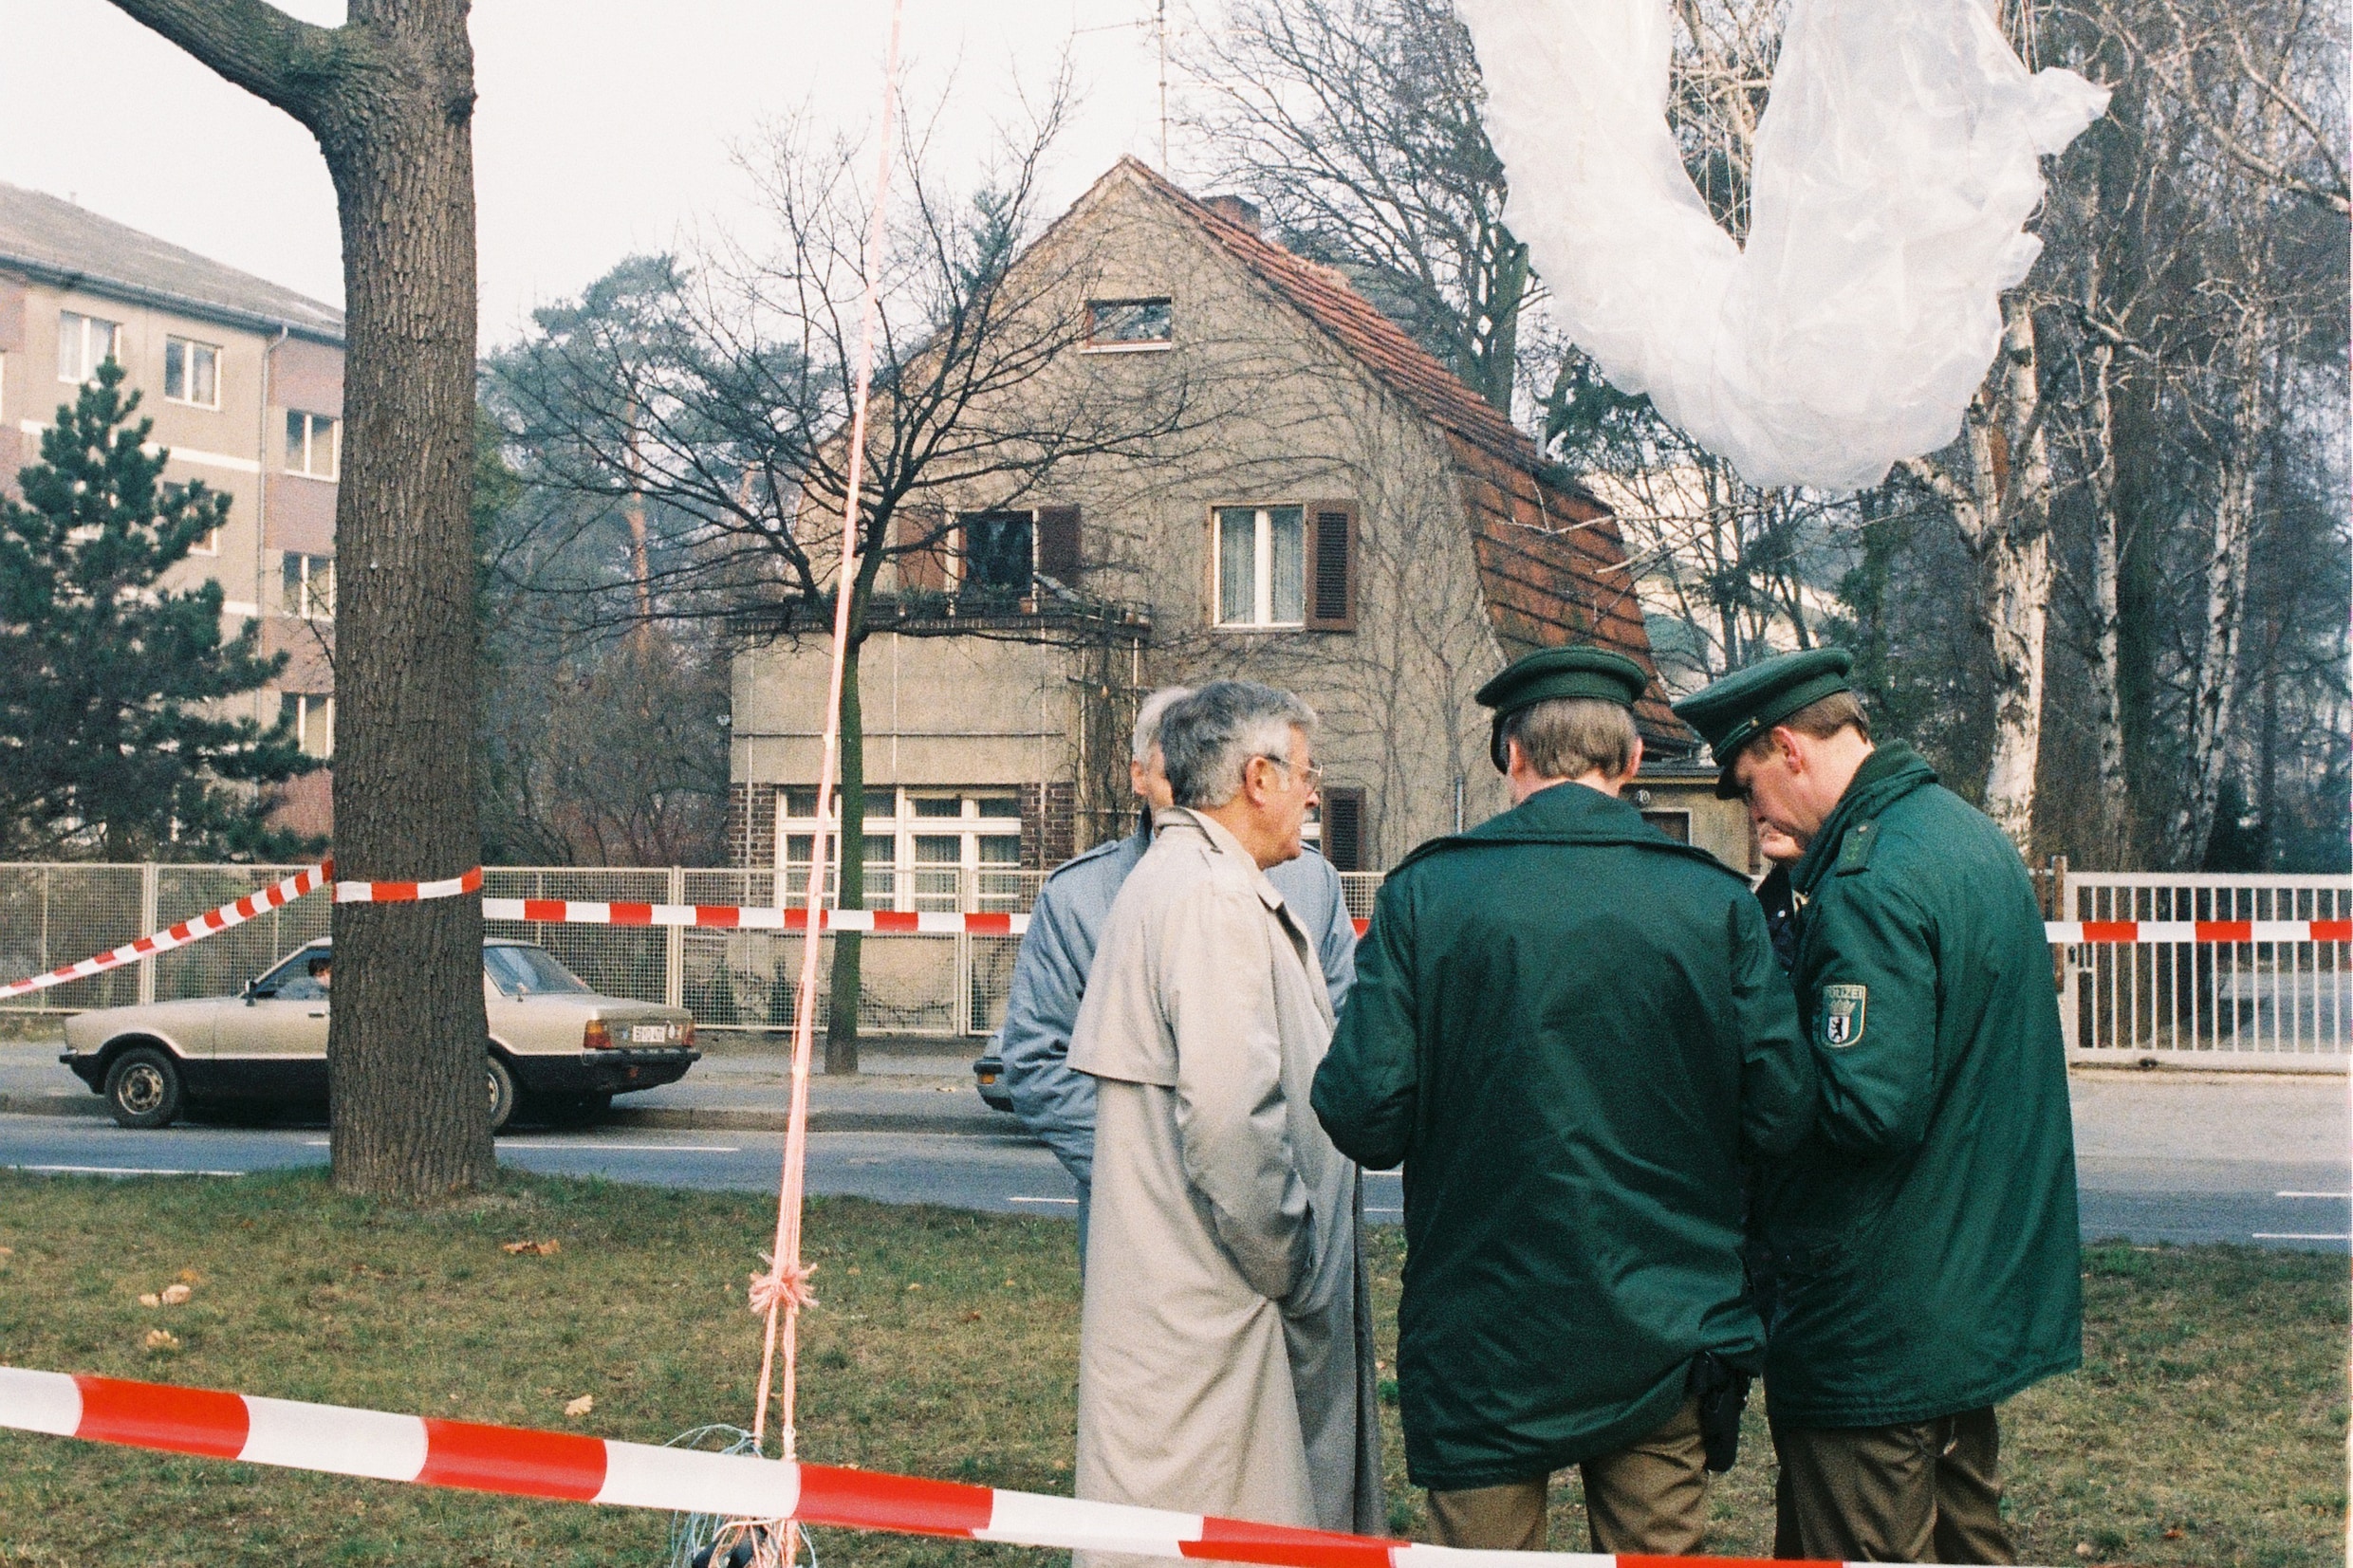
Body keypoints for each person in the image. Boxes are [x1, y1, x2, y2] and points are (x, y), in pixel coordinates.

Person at [1310, 645, 1816, 1556]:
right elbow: (1781, 1113)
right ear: (1630, 763)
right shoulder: (1713, 904)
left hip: (1485, 1335)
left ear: (1512, 757)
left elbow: (1362, 1114)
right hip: (1666, 1326)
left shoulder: (1427, 893)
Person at [1674, 648, 2082, 1565]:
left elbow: (1866, 1110)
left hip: (1873, 1323)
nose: (1754, 816)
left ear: (1788, 747)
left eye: (1749, 788)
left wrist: (1753, 1078)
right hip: (1958, 1304)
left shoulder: (1865, 882)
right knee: (1969, 1542)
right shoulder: (1962, 836)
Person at [1070, 680, 1382, 1558]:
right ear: (1257, 777)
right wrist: (1292, 1258)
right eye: (1307, 773)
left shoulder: (1187, 878)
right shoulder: (1211, 897)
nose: (1315, 794)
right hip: (1217, 1326)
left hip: (1197, 1319)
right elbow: (1229, 1124)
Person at [995, 686, 1358, 1252]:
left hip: (1286, 1212)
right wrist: (1159, 1178)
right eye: (1174, 774)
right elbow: (1036, 1059)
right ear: (1140, 776)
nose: (1191, 798)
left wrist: (1277, 1186)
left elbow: (1337, 1039)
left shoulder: (1311, 881)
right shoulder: (1081, 897)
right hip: (1149, 1231)